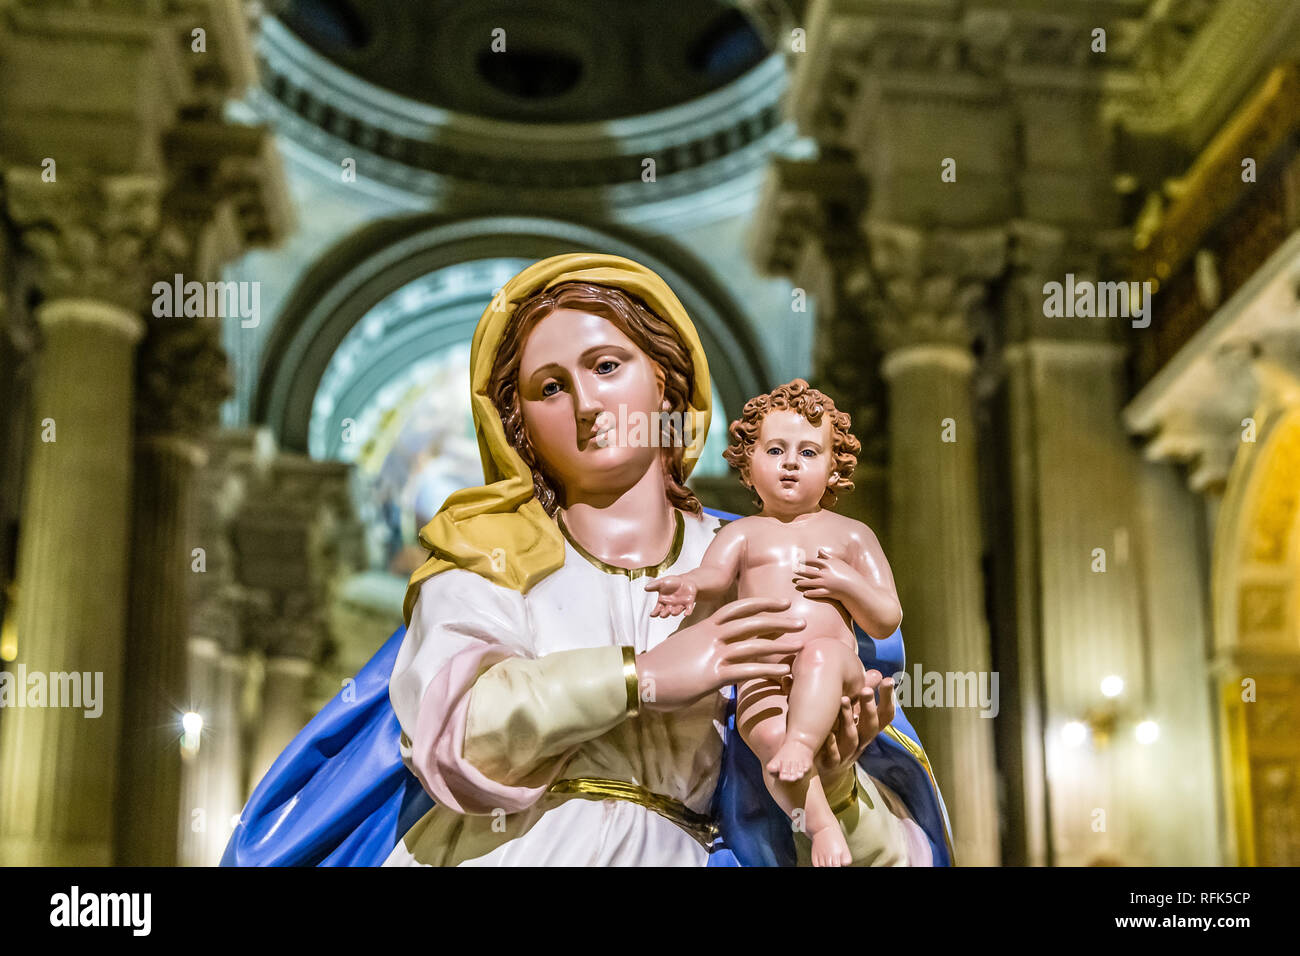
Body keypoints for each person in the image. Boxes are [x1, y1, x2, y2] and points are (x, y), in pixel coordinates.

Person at [222, 253, 953, 867]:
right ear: (518, 425)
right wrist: (642, 675)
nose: (585, 404)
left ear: (665, 380)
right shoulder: (487, 552)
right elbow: (456, 731)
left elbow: (897, 854)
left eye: (606, 365)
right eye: (548, 387)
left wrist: (836, 788)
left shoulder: (748, 562)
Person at [648, 379, 902, 865]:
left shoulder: (851, 535)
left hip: (834, 674)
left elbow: (886, 618)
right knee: (769, 742)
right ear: (748, 463)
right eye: (775, 449)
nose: (790, 462)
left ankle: (803, 743)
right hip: (762, 676)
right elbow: (712, 575)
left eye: (808, 452)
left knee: (821, 656)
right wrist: (688, 586)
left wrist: (846, 582)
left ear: (834, 468)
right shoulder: (741, 534)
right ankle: (821, 826)